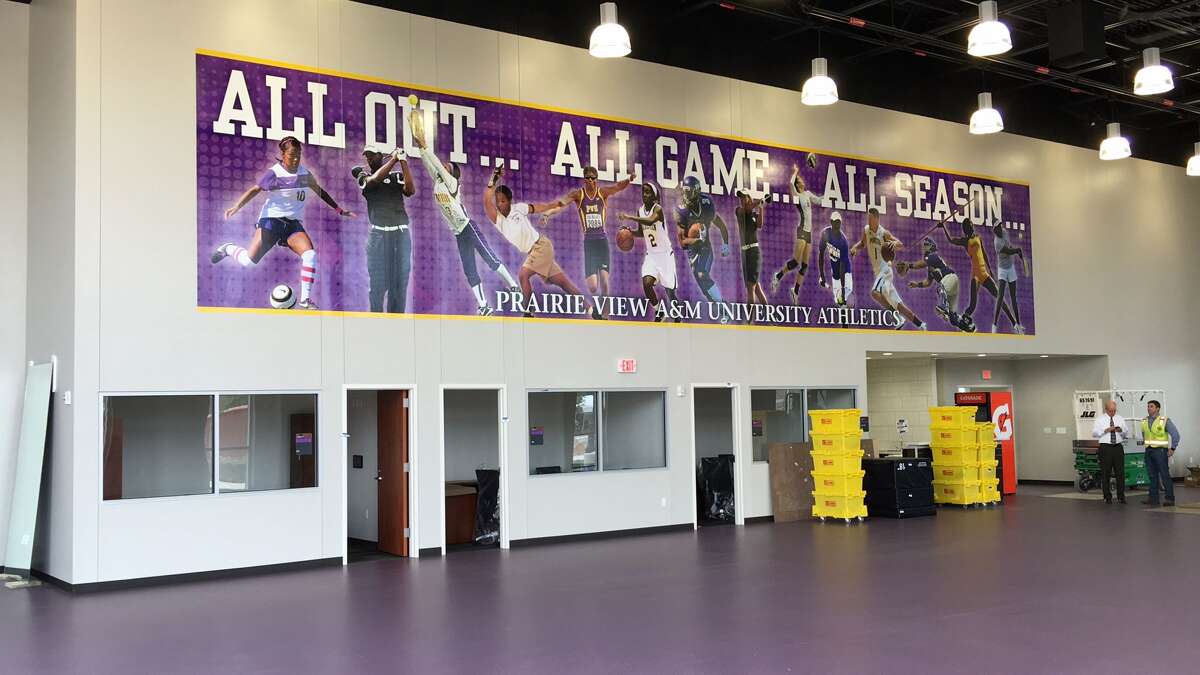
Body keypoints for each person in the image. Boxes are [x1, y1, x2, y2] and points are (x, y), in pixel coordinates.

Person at [212, 136, 354, 310]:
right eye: (292, 155)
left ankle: (305, 300)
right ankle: (229, 248)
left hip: (292, 226)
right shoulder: (274, 173)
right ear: (283, 154)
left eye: (298, 155)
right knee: (249, 261)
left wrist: (339, 209)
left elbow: (319, 191)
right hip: (271, 221)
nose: (295, 159)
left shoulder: (304, 175)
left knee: (310, 255)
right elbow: (255, 190)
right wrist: (236, 207)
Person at [411, 130, 520, 316]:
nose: (443, 167)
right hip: (459, 234)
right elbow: (429, 163)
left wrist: (426, 145)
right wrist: (421, 148)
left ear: (452, 173)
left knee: (489, 258)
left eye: (447, 167)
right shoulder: (438, 183)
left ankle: (513, 286)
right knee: (469, 270)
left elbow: (435, 162)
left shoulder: (452, 183)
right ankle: (484, 305)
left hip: (468, 227)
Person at [482, 166, 600, 320]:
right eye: (497, 201)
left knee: (523, 275)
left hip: (541, 246)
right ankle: (591, 310)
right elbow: (487, 201)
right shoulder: (498, 220)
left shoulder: (519, 209)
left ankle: (529, 312)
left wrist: (553, 205)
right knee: (564, 283)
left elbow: (538, 208)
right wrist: (493, 180)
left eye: (503, 201)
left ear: (510, 201)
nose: (499, 204)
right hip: (535, 253)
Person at [351, 144, 415, 314]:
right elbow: (374, 181)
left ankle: (396, 323)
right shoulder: (363, 176)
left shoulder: (396, 176)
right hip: (378, 236)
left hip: (400, 235)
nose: (369, 158)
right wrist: (394, 159)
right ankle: (376, 324)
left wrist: (403, 161)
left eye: (372, 155)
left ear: (381, 155)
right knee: (378, 286)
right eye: (367, 156)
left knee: (399, 285)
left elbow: (410, 190)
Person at [560, 165, 636, 301]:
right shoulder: (579, 194)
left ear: (596, 179)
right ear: (584, 179)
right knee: (593, 287)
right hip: (589, 243)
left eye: (593, 178)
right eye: (588, 178)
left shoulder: (602, 193)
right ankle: (599, 298)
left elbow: (618, 187)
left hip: (602, 242)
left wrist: (629, 179)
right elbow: (562, 202)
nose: (591, 180)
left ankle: (604, 309)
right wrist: (549, 212)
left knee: (605, 283)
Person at [851, 208, 926, 329]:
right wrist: (855, 248)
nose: (869, 221)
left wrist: (895, 243)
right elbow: (862, 243)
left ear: (877, 218)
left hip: (885, 270)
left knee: (875, 293)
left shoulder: (884, 233)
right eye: (868, 218)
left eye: (871, 218)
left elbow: (900, 244)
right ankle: (921, 324)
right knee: (898, 305)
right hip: (879, 273)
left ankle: (897, 317)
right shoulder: (866, 230)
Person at [618, 182, 679, 322]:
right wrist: (629, 232)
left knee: (670, 292)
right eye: (643, 192)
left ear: (654, 196)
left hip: (665, 255)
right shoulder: (640, 211)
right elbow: (641, 232)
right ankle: (659, 311)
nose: (645, 195)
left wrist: (628, 217)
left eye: (648, 192)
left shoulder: (658, 210)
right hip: (651, 255)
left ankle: (677, 318)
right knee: (646, 283)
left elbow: (650, 221)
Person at [940, 219, 1016, 331]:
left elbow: (984, 254)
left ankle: (1014, 323)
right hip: (975, 275)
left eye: (971, 225)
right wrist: (943, 226)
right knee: (972, 305)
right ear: (965, 229)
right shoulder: (965, 241)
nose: (971, 227)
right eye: (969, 226)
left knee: (999, 297)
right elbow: (951, 240)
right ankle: (963, 319)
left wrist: (990, 269)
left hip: (984, 273)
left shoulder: (978, 237)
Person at [675, 176, 732, 321]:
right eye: (684, 191)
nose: (685, 194)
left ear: (696, 191)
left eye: (689, 191)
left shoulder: (706, 203)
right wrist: (696, 239)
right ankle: (722, 306)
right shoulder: (681, 210)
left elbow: (720, 224)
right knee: (703, 286)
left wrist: (725, 243)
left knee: (702, 274)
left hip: (705, 247)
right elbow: (682, 242)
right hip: (692, 250)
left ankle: (724, 310)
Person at [771, 163, 823, 304]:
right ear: (798, 184)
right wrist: (795, 171)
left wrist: (830, 196)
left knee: (804, 266)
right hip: (801, 230)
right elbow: (790, 183)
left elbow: (819, 200)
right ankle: (778, 276)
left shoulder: (808, 194)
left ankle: (795, 291)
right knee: (795, 262)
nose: (802, 180)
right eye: (799, 180)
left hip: (809, 233)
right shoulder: (798, 195)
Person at [901, 237, 975, 332]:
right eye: (924, 245)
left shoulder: (933, 256)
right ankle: (967, 325)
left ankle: (944, 306)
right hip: (950, 285)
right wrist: (917, 285)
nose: (924, 247)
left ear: (931, 247)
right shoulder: (931, 266)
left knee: (940, 287)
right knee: (953, 318)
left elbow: (921, 264)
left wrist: (909, 265)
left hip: (949, 278)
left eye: (926, 245)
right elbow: (928, 282)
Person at [735, 189, 769, 316]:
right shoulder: (739, 211)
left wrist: (761, 207)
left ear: (749, 198)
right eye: (741, 198)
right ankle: (769, 316)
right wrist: (760, 201)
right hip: (745, 254)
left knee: (751, 287)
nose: (742, 199)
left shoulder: (753, 213)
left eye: (744, 197)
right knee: (757, 288)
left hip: (754, 252)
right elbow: (747, 209)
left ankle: (750, 321)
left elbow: (759, 225)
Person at [1141, 399, 1181, 507]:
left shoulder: (1164, 420)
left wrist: (1172, 448)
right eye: (1148, 406)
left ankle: (1169, 499)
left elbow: (1176, 435)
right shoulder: (1144, 421)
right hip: (1148, 451)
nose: (1148, 408)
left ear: (1157, 409)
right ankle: (1153, 498)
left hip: (1160, 451)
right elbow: (1144, 435)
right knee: (1152, 476)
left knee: (1164, 475)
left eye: (1151, 406)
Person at [991, 222, 1026, 334]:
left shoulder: (1004, 232)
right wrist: (1017, 250)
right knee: (1000, 296)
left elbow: (1010, 246)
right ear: (994, 230)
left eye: (1000, 226)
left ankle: (1018, 325)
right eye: (998, 227)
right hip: (1002, 270)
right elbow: (1009, 251)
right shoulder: (997, 242)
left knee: (1013, 297)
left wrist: (1018, 253)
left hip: (1010, 268)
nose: (1000, 228)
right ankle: (994, 325)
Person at [1091, 399, 1128, 504]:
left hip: (1117, 447)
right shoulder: (1100, 419)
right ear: (1106, 409)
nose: (1113, 412)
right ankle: (1107, 496)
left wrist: (1121, 431)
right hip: (1105, 447)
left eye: (1115, 410)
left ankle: (1121, 496)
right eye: (1111, 410)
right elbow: (1094, 433)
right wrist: (1105, 430)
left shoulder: (1120, 418)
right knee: (1105, 473)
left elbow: (1126, 432)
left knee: (1120, 473)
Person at [816, 211, 852, 306]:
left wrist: (843, 290)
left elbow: (842, 267)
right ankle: (842, 304)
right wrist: (822, 276)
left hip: (845, 271)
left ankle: (845, 302)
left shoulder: (843, 242)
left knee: (846, 294)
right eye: (835, 222)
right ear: (831, 222)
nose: (837, 225)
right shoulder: (825, 234)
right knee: (838, 301)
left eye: (839, 222)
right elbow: (821, 255)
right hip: (835, 272)